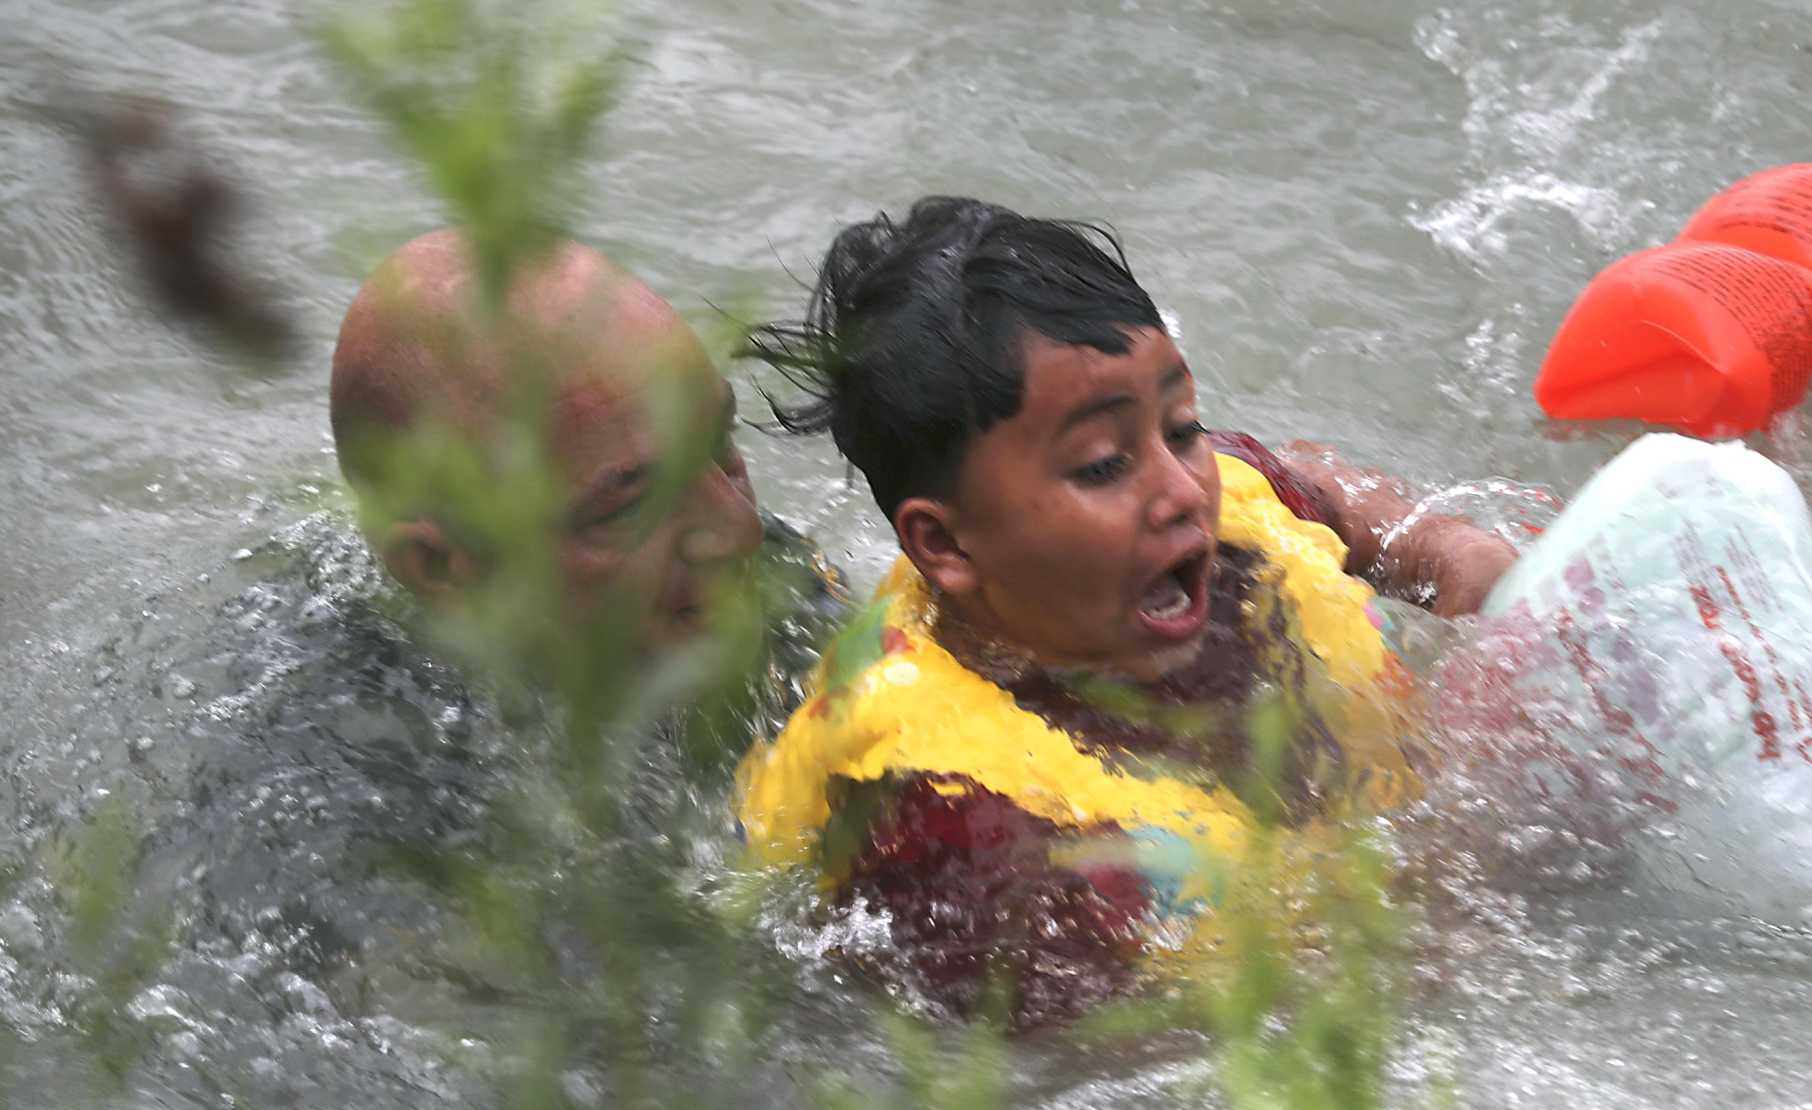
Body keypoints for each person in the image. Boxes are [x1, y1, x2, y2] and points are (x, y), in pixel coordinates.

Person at [737, 197, 1517, 1022]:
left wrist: (1456, 553)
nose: (1185, 488)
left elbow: (1353, 506)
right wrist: (1461, 869)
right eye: (1105, 467)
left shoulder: (1221, 517)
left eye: (1181, 426)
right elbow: (1150, 1069)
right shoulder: (962, 833)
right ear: (947, 547)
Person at [329, 229, 845, 757]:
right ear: (440, 568)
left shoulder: (790, 590)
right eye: (634, 505)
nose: (741, 531)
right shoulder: (350, 781)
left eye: (719, 447)